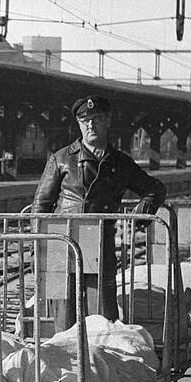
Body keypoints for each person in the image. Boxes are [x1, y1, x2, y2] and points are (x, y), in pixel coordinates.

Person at [31, 95, 167, 324]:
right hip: (59, 248)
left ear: (107, 121)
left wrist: (138, 218)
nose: (90, 125)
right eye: (85, 121)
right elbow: (41, 205)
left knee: (102, 319)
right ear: (79, 124)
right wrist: (38, 244)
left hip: (100, 249)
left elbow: (155, 189)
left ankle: (99, 359)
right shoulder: (61, 159)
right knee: (62, 321)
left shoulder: (121, 163)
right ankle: (67, 359)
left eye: (96, 119)